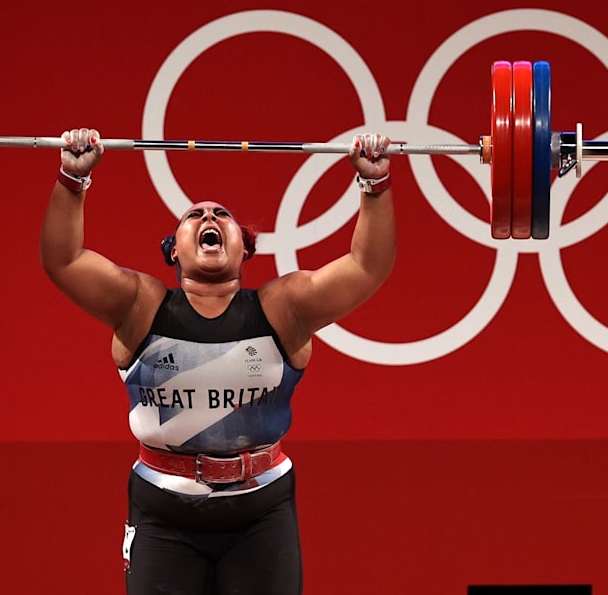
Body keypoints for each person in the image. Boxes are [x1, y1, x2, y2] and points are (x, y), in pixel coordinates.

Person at [40, 128, 396, 595]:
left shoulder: (283, 309)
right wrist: (71, 177)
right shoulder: (139, 306)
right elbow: (63, 261)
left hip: (261, 512)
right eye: (195, 215)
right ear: (175, 250)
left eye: (221, 214)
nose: (209, 216)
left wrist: (375, 185)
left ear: (245, 248)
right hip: (163, 513)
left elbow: (367, 267)